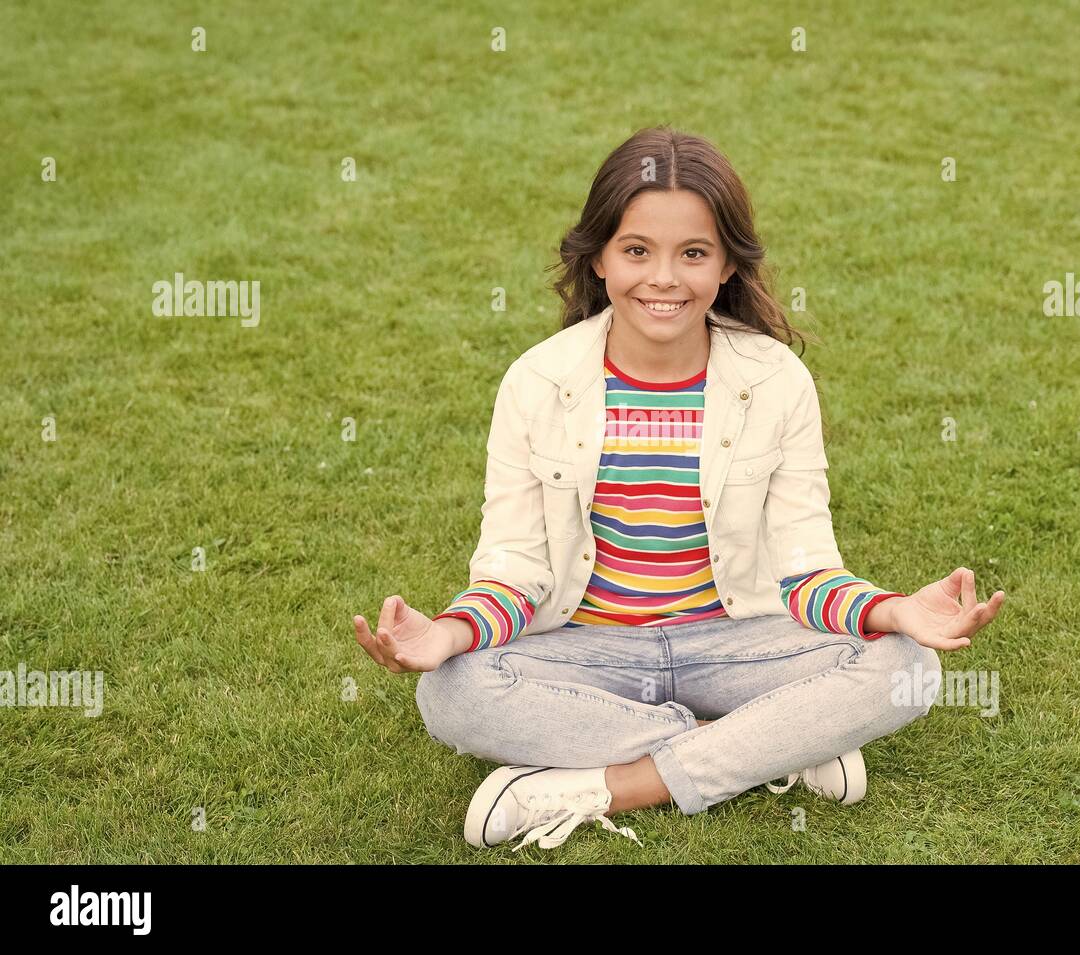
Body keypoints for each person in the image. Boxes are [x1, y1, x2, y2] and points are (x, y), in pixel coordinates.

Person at [352, 125, 1005, 851]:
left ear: (726, 265)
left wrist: (893, 610)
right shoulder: (536, 381)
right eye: (637, 251)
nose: (663, 278)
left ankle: (610, 783)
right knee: (449, 689)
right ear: (598, 256)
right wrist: (446, 632)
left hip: (736, 641)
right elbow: (516, 571)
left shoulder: (774, 380)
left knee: (906, 668)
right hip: (589, 651)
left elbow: (804, 571)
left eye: (692, 254)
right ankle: (767, 748)